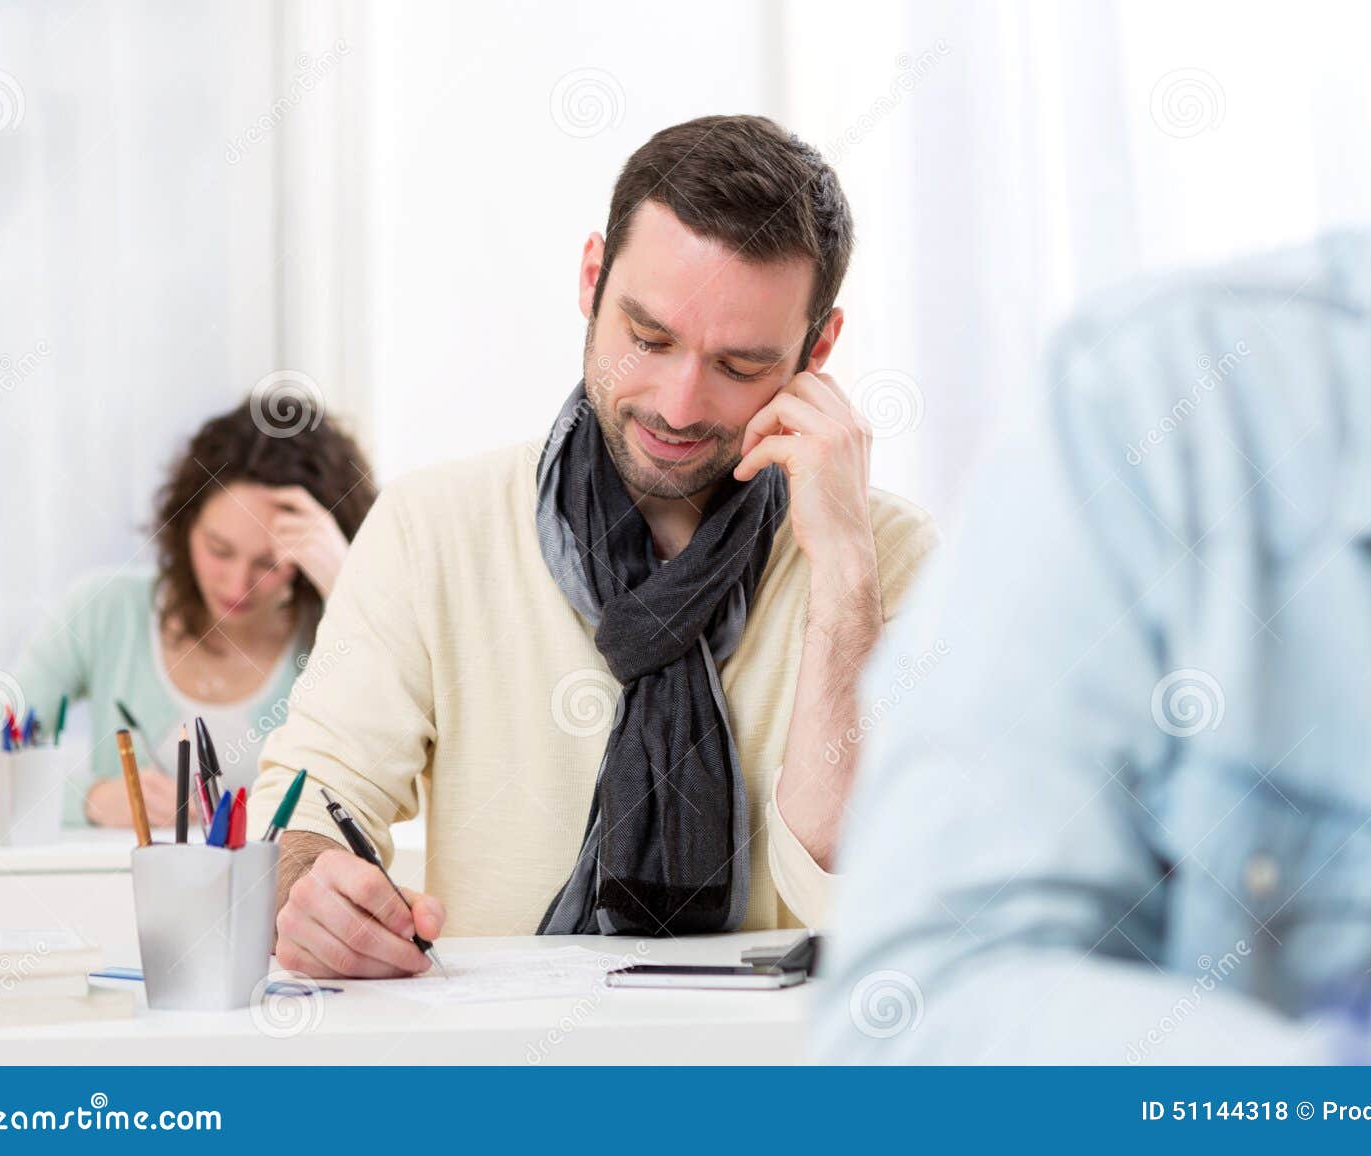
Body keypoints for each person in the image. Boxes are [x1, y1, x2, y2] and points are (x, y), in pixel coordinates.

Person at [816, 143, 1371, 1063]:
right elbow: (914, 1017)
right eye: (653, 337)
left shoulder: (888, 541)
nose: (683, 400)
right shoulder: (1155, 407)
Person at [249, 114, 937, 978]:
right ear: (591, 280)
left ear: (818, 350)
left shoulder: (888, 559)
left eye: (740, 366)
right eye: (648, 340)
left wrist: (842, 569)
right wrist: (310, 888)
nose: (679, 406)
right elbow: (306, 803)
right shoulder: (435, 528)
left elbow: (876, 887)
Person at [0, 395, 376, 830]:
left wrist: (346, 583)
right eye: (219, 550)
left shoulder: (336, 632)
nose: (237, 584)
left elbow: (395, 777)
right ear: (185, 525)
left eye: (269, 564)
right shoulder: (104, 611)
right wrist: (90, 801)